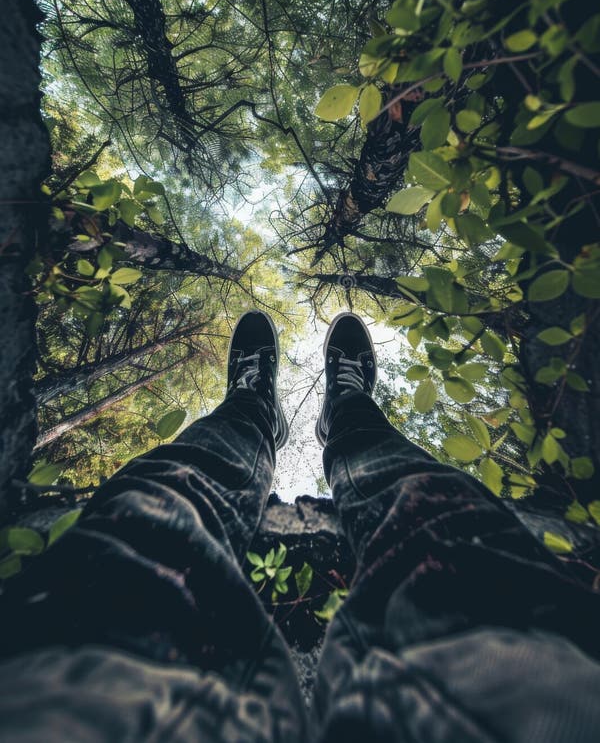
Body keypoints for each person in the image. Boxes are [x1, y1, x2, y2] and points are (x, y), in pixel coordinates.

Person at [0, 310, 599, 742]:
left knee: (157, 497)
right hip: (526, 679)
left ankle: (256, 411)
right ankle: (345, 416)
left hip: (71, 687)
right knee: (433, 505)